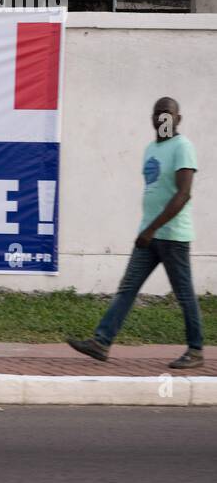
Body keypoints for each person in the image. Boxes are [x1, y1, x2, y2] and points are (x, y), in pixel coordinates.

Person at [67, 97, 204, 369]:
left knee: (184, 294)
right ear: (152, 118)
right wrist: (148, 229)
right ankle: (101, 342)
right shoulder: (151, 149)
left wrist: (152, 228)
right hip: (149, 235)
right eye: (158, 113)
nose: (162, 118)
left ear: (178, 118)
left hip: (172, 236)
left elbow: (184, 194)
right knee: (127, 289)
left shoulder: (183, 147)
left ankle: (196, 351)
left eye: (168, 113)